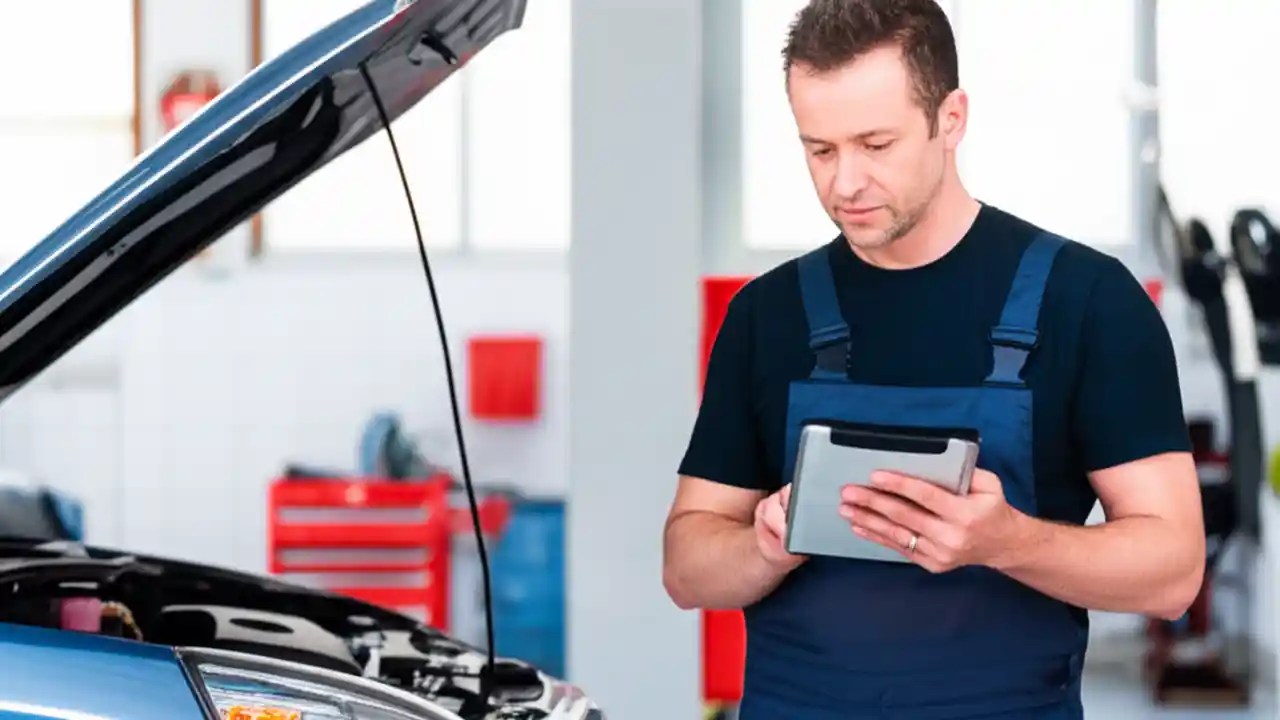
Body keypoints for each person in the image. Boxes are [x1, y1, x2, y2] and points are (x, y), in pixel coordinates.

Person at [661, 0, 1206, 717]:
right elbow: (685, 568)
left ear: (951, 119)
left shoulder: (1088, 302)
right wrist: (764, 545)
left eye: (875, 144)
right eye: (819, 149)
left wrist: (1006, 542)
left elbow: (1172, 573)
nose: (843, 183)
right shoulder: (768, 315)